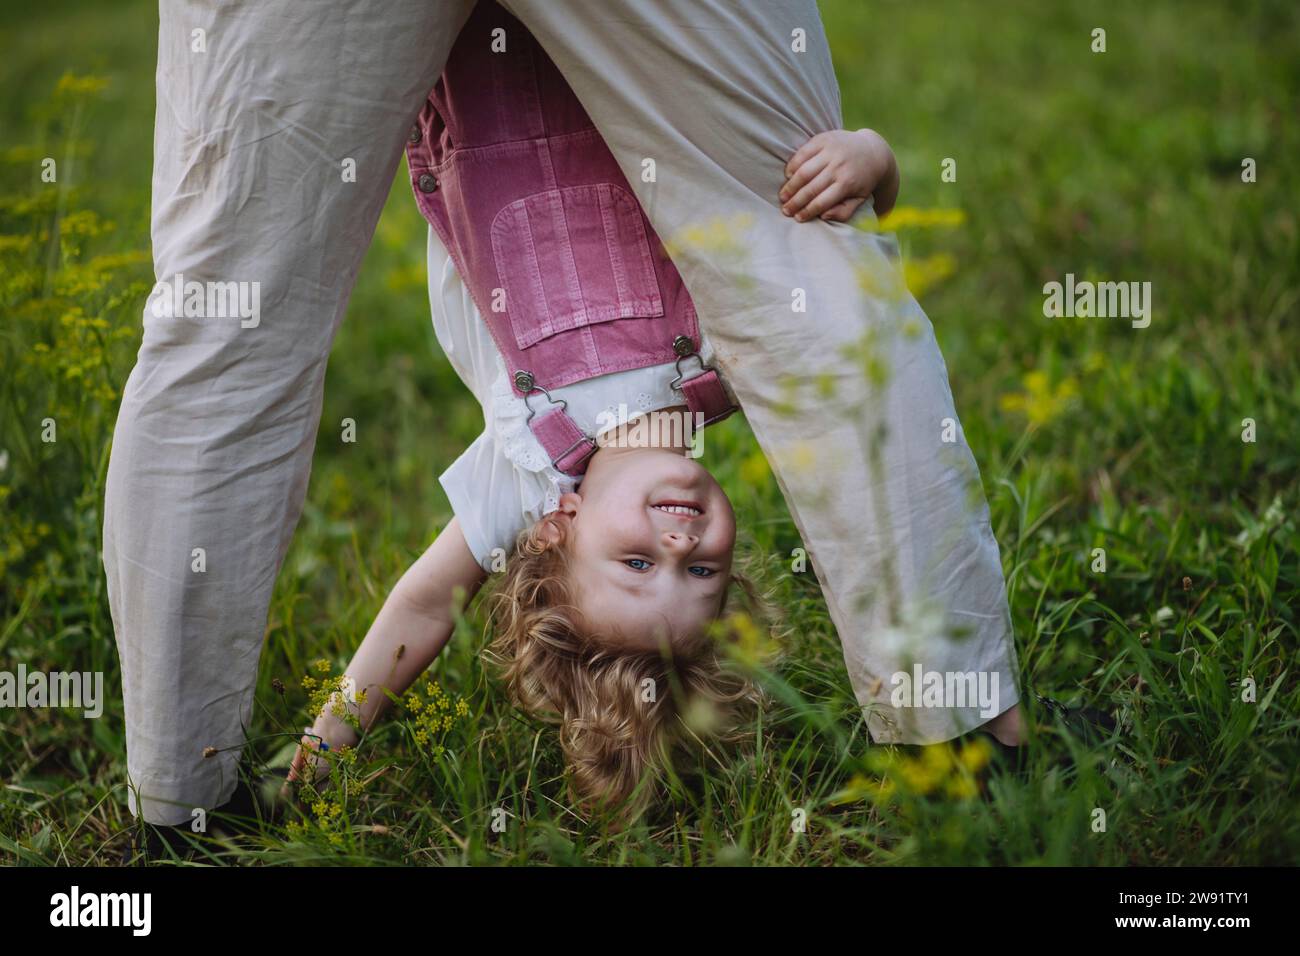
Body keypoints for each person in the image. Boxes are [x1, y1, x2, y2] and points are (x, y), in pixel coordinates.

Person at [105, 0, 1023, 837]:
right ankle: (977, 744)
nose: (678, 537)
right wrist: (874, 159)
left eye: (636, 562)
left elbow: (425, 606)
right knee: (821, 281)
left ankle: (177, 803)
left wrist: (327, 740)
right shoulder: (736, 365)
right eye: (702, 567)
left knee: (228, 313)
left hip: (473, 91)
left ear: (560, 529)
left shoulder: (525, 466)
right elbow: (825, 261)